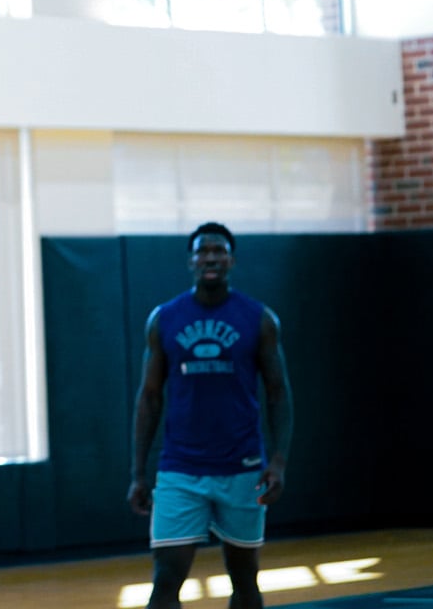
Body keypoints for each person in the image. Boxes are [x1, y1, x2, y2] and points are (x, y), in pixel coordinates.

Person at [128, 222, 294, 609]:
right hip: (181, 469)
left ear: (232, 260)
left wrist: (279, 461)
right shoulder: (165, 318)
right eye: (203, 251)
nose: (211, 258)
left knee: (245, 580)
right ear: (191, 260)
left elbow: (279, 393)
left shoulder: (258, 319)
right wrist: (138, 472)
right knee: (166, 581)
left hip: (242, 467)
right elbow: (149, 397)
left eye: (219, 251)